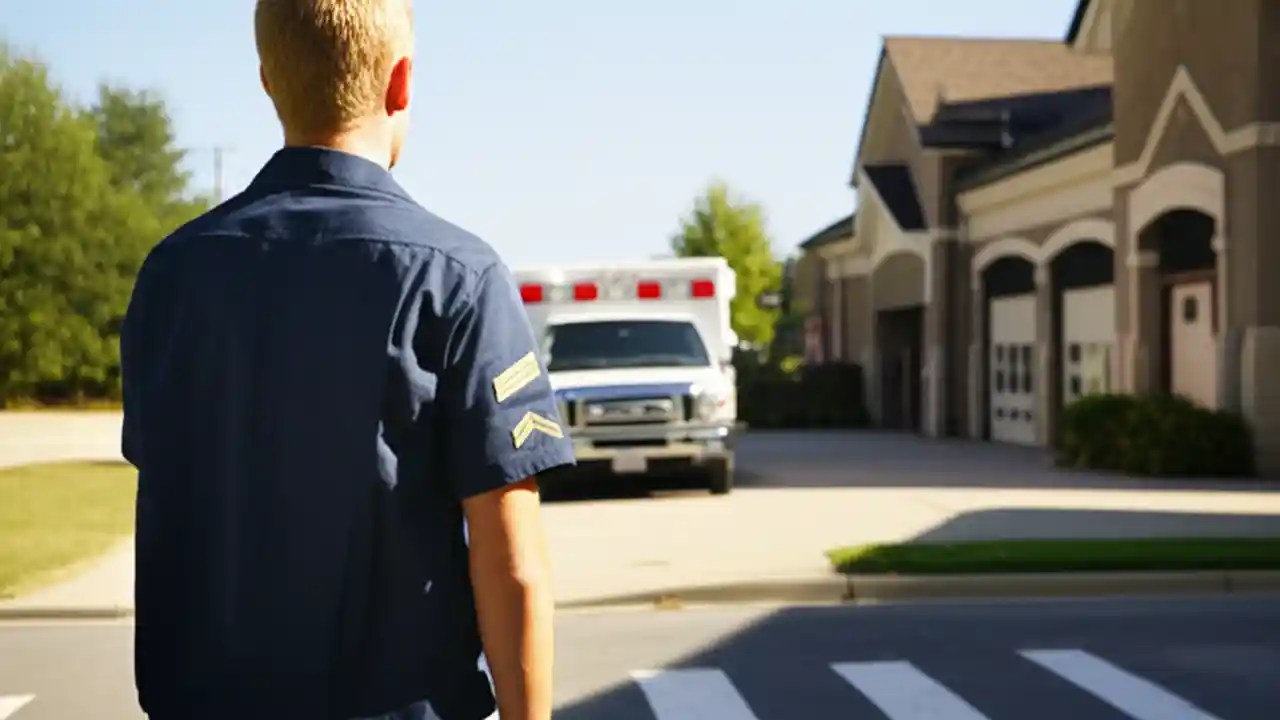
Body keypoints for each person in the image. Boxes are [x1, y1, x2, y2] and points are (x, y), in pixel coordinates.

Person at [119, 1, 573, 718]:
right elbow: (509, 560)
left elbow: (169, 502)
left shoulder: (171, 276)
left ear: (268, 80)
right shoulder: (460, 277)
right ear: (402, 83)